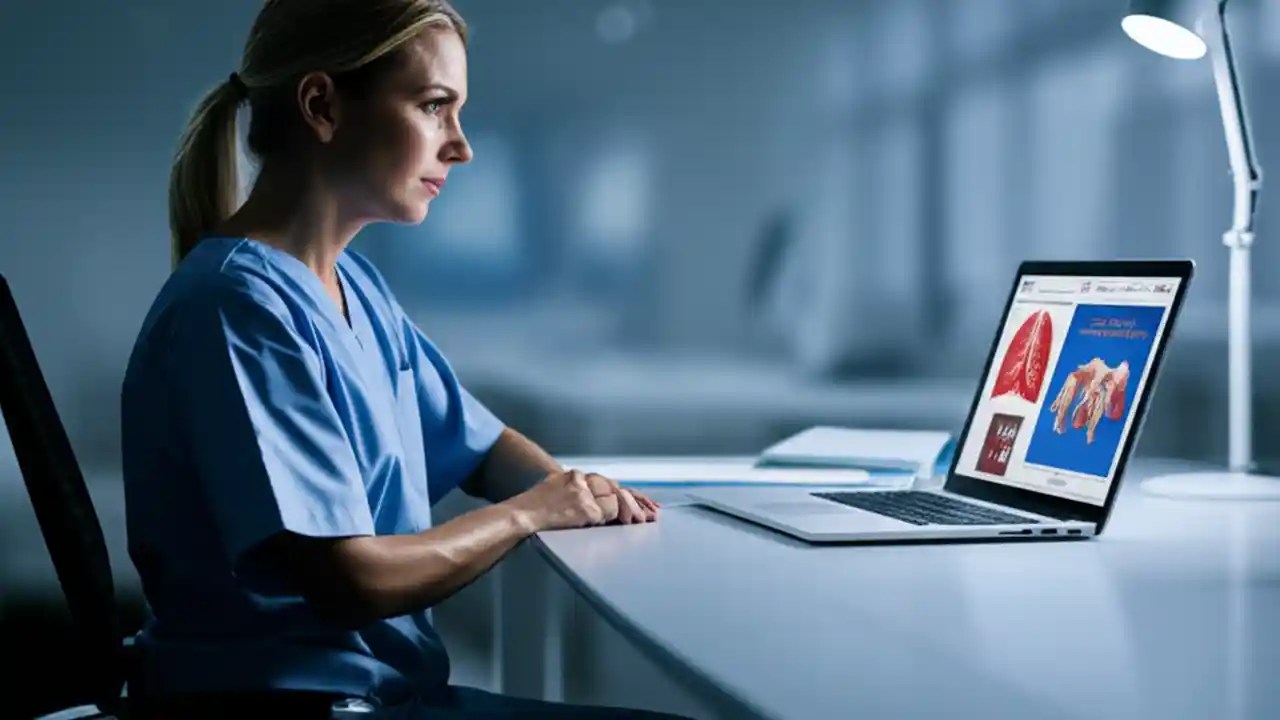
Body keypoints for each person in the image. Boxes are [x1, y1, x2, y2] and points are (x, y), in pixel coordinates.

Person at [120, 1, 687, 717]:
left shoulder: (355, 286)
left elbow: (480, 449)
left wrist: (577, 491)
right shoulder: (236, 307)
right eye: (433, 107)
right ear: (322, 105)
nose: (461, 146)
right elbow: (351, 579)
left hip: (385, 696)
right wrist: (533, 513)